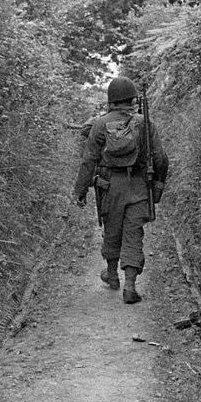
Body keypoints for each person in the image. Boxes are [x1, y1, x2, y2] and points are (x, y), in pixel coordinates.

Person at [73, 76, 168, 304]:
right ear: (132, 99)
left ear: (111, 100)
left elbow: (88, 160)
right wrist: (158, 185)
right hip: (138, 186)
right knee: (134, 233)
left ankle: (112, 274)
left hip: (109, 187)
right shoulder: (144, 123)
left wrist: (80, 190)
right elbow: (161, 158)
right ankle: (131, 287)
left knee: (112, 229)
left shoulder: (100, 124)